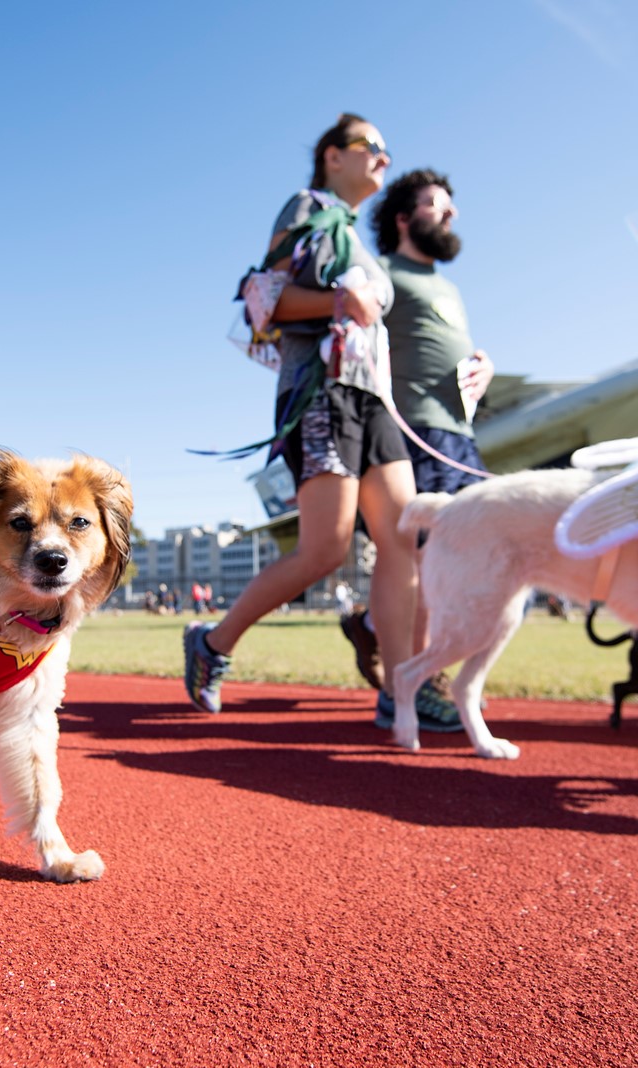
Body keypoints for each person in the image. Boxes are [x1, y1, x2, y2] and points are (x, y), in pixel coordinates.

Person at [183, 114, 418, 717]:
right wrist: (341, 298)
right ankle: (212, 643)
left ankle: (402, 691)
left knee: (402, 539)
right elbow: (265, 301)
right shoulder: (306, 207)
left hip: (373, 399)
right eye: (373, 147)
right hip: (322, 394)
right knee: (325, 552)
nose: (385, 159)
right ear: (333, 156)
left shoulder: (357, 236)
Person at [338, 168, 496, 732]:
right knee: (430, 564)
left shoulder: (448, 287)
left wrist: (485, 365)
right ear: (404, 218)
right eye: (436, 204)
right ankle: (414, 682)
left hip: (461, 438)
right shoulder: (388, 274)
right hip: (414, 437)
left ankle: (377, 632)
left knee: (463, 564)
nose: (450, 213)